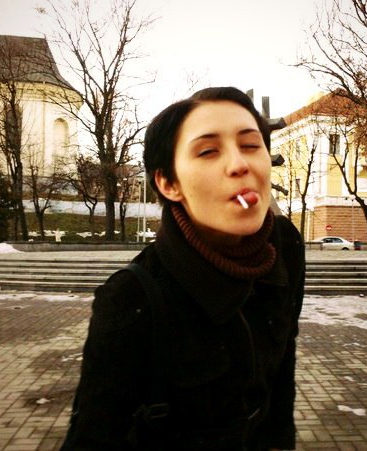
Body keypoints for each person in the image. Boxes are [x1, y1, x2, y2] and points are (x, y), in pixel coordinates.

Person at [61, 87, 305, 451]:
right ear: (169, 183)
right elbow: (93, 437)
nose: (240, 164)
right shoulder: (130, 298)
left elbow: (283, 363)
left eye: (251, 145)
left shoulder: (285, 245)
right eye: (208, 151)